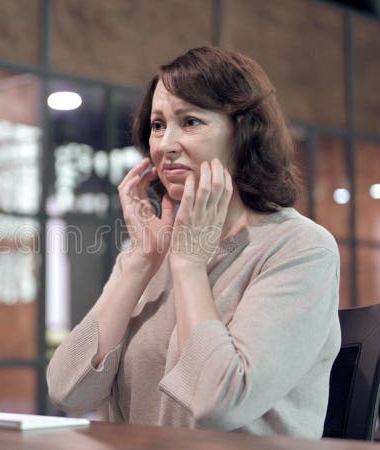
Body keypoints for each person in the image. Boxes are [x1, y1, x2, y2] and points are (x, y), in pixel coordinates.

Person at [46, 47, 341, 438]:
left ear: (243, 133)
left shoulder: (301, 248)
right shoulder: (154, 251)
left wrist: (188, 265)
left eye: (190, 121)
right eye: (157, 125)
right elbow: (67, 390)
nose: (165, 144)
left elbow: (220, 405)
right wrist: (140, 262)